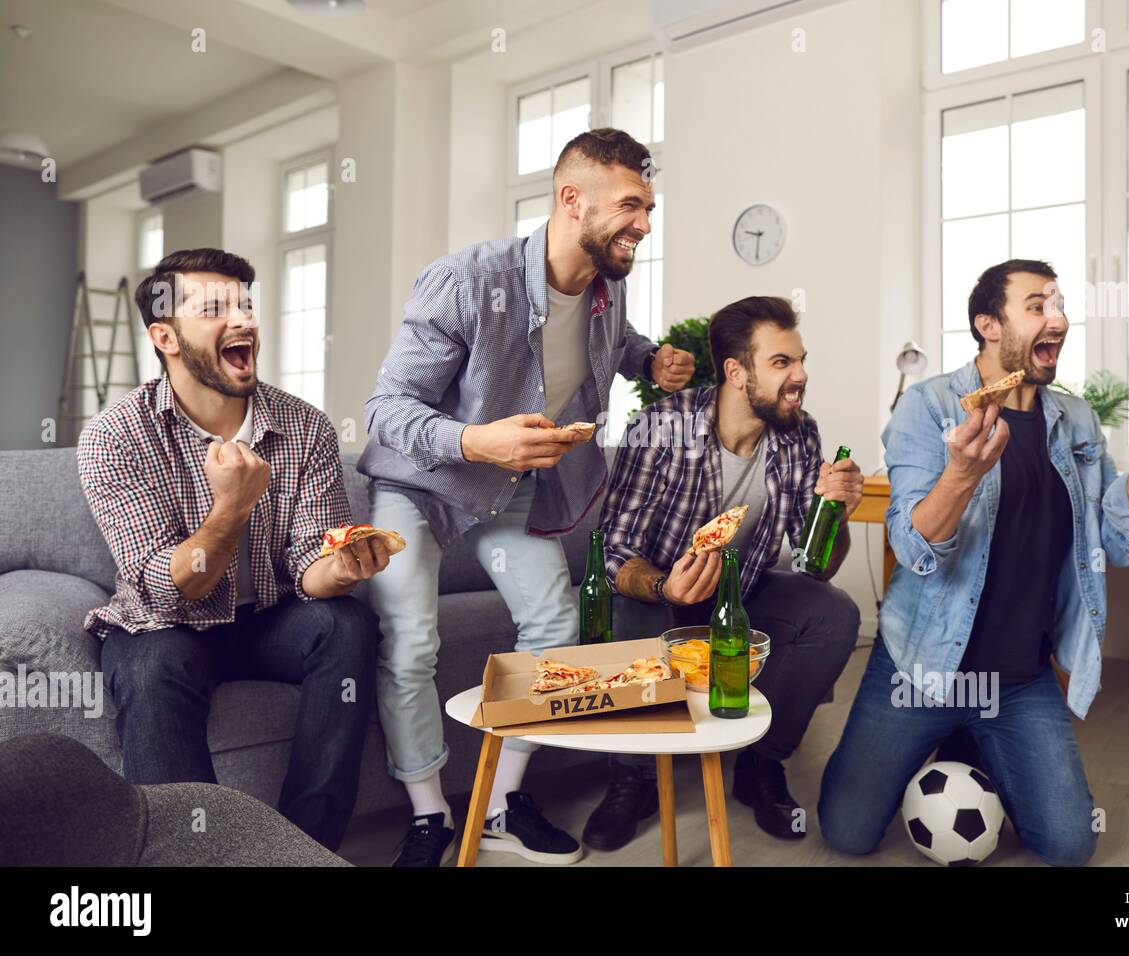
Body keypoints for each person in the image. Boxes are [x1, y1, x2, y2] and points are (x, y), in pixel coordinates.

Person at [358, 128, 694, 866]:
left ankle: (499, 803)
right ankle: (427, 816)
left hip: (513, 488)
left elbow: (611, 341)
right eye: (632, 206)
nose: (645, 224)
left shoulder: (610, 281)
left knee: (554, 626)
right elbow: (385, 410)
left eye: (649, 207)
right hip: (423, 485)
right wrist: (477, 441)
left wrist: (651, 359)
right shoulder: (465, 280)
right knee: (412, 641)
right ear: (572, 200)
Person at [818, 259, 1129, 865]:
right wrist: (962, 473)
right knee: (848, 832)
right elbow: (913, 548)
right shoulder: (929, 408)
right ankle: (950, 735)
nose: (1059, 319)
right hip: (920, 670)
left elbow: (1116, 546)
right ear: (988, 324)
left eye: (1059, 304)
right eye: (1037, 305)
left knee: (1070, 845)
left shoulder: (1076, 420)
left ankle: (975, 739)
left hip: (1018, 678)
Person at [79, 248, 388, 852]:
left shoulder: (304, 427)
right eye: (216, 308)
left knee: (347, 624)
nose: (243, 320)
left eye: (246, 304)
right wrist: (232, 507)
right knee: (150, 667)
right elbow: (169, 586)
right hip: (165, 624)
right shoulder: (115, 434)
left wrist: (340, 568)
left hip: (267, 620)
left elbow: (310, 564)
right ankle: (196, 855)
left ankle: (304, 849)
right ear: (165, 336)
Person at [583, 296, 862, 850]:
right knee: (628, 604)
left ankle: (760, 765)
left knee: (833, 614)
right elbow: (614, 549)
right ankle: (633, 777)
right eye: (782, 363)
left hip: (743, 591)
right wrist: (663, 584)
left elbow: (815, 565)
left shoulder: (799, 433)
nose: (800, 376)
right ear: (736, 372)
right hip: (662, 596)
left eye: (800, 360)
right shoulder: (661, 427)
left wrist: (836, 515)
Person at [0, 733, 349, 867]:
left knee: (345, 625)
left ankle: (319, 833)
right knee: (155, 665)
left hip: (144, 811)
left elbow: (306, 576)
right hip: (156, 625)